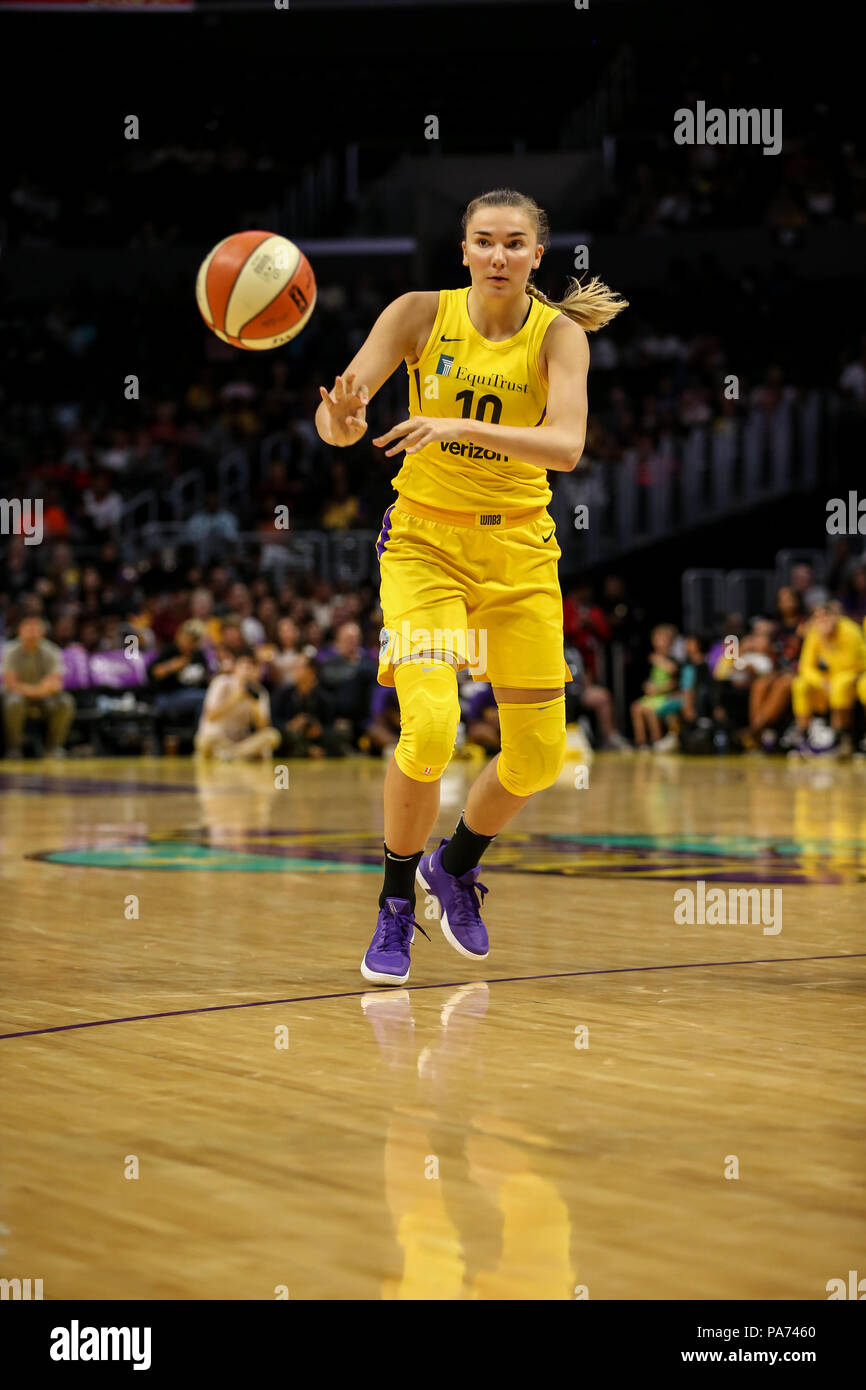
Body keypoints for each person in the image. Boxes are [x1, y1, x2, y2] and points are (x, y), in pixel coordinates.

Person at [315, 186, 627, 984]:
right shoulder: (419, 313)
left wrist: (456, 424)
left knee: (539, 755)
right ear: (463, 251)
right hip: (423, 545)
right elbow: (341, 416)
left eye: (513, 243)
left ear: (535, 256)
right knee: (427, 733)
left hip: (521, 554)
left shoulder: (559, 338)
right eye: (483, 241)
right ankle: (393, 905)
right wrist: (342, 421)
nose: (497, 254)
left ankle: (451, 868)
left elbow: (564, 447)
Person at [789, 604, 866, 758]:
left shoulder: (849, 631)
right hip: (831, 677)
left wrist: (827, 642)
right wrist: (821, 681)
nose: (823, 621)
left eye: (826, 617)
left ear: (836, 617)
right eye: (818, 618)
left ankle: (843, 739)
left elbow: (849, 664)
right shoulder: (815, 633)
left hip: (855, 672)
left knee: (840, 685)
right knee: (800, 684)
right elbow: (805, 667)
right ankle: (803, 738)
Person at [2, 614, 76, 757]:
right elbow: (11, 684)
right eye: (28, 628)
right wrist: (39, 689)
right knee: (13, 701)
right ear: (20, 630)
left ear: (43, 632)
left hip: (44, 697)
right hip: (20, 696)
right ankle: (14, 748)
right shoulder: (10, 651)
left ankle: (54, 748)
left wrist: (35, 690)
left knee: (65, 701)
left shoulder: (51, 650)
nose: (32, 632)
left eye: (36, 628)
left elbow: (55, 684)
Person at [194, 650, 281, 762]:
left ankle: (229, 756)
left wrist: (254, 703)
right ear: (235, 668)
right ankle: (237, 756)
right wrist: (234, 699)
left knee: (273, 736)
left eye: (250, 668)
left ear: (255, 671)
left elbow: (263, 727)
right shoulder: (221, 683)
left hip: (239, 742)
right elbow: (210, 716)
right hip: (217, 738)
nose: (246, 672)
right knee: (204, 740)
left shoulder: (259, 692)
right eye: (243, 667)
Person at [630, 624, 681, 750]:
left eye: (663, 639)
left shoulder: (672, 660)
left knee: (650, 711)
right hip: (653, 696)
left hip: (666, 697)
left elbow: (675, 680)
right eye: (657, 639)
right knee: (636, 708)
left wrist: (659, 688)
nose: (660, 643)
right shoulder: (651, 659)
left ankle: (656, 741)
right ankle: (641, 743)